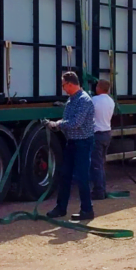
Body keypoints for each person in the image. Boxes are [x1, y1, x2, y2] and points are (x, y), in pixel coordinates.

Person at [47, 71, 95, 221]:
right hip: (72, 142)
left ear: (70, 84)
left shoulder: (84, 100)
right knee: (65, 175)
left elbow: (76, 123)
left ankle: (87, 210)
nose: (63, 89)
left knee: (82, 177)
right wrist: (56, 124)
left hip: (83, 143)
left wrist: (57, 124)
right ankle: (61, 208)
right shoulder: (72, 100)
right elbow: (69, 119)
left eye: (63, 85)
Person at [90, 79, 116, 200]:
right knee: (101, 163)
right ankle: (102, 189)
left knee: (96, 165)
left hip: (97, 134)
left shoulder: (94, 100)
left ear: (99, 88)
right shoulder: (111, 101)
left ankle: (98, 191)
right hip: (107, 133)